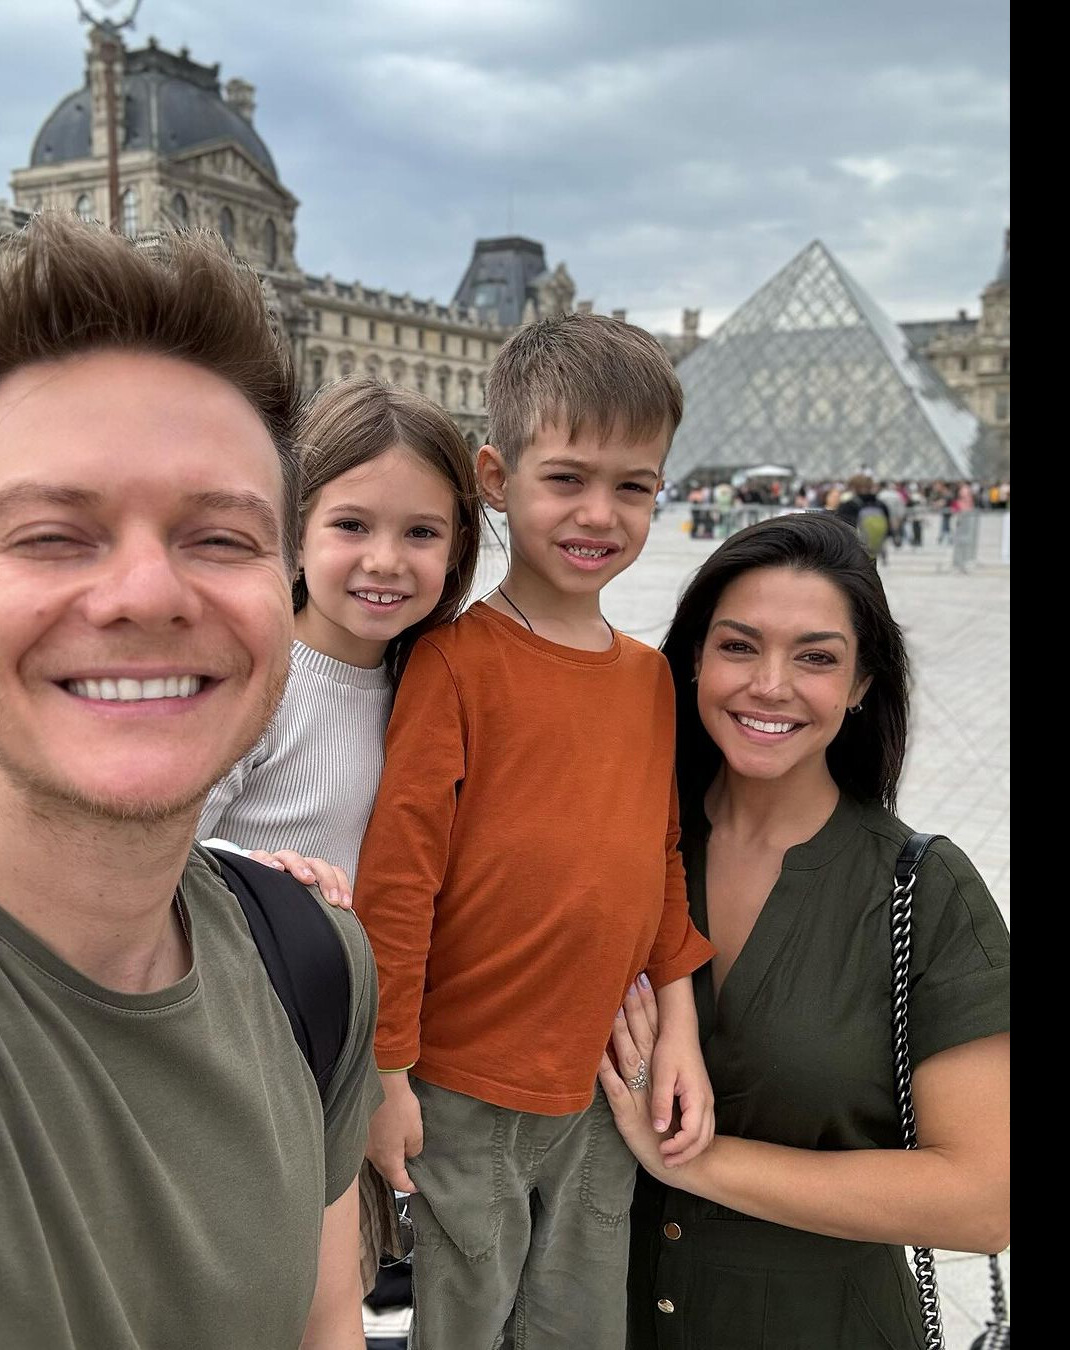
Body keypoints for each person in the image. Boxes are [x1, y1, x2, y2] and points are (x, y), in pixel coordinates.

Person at [0, 212, 382, 1349]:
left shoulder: (315, 965)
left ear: (282, 596)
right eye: (52, 534)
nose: (146, 594)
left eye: (220, 538)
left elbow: (327, 1325)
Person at [354, 312, 718, 1350]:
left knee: (581, 1328)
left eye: (633, 486)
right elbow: (400, 881)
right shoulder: (454, 663)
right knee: (461, 1326)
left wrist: (680, 1032)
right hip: (462, 1083)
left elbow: (660, 860)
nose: (600, 513)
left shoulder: (649, 678)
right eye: (566, 478)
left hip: (604, 1084)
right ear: (496, 478)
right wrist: (385, 1075)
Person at [595, 511, 1010, 1349]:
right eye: (738, 646)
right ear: (695, 660)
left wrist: (693, 1159)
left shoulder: (924, 890)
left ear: (861, 685)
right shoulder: (610, 848)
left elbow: (982, 1202)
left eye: (816, 657)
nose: (770, 684)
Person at [196, 372, 482, 1298]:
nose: (385, 561)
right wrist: (255, 872)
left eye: (422, 533)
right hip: (248, 1049)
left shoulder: (429, 683)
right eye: (352, 525)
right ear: (294, 529)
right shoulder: (257, 679)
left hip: (355, 1050)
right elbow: (162, 852)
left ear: (460, 545)